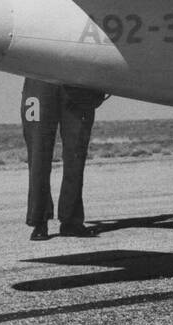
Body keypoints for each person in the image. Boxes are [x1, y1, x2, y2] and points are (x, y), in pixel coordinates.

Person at [22, 78, 109, 239]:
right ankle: (39, 221)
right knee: (38, 153)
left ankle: (72, 221)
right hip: (39, 80)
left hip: (78, 81)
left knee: (76, 153)